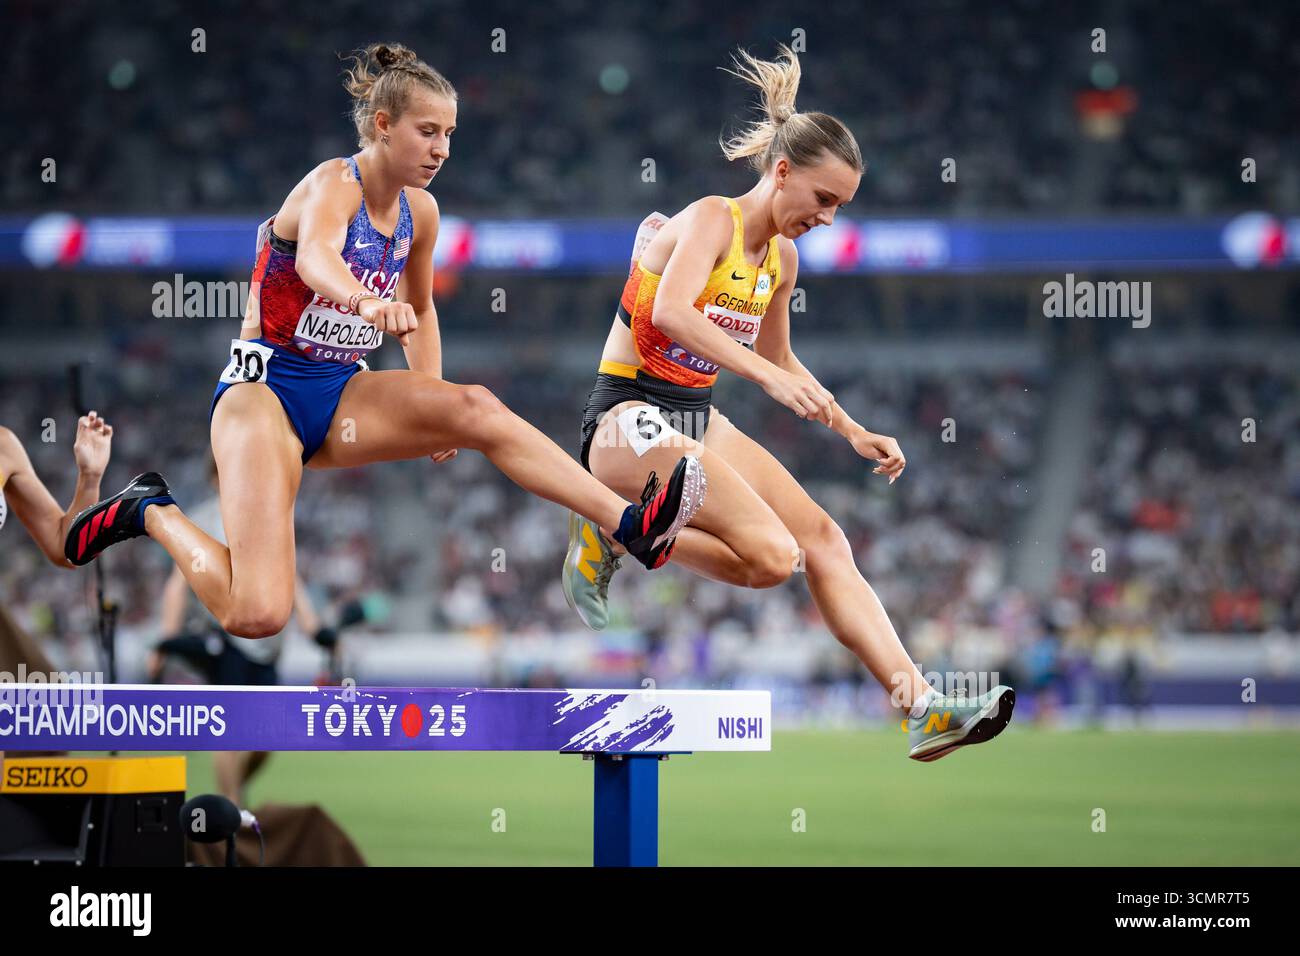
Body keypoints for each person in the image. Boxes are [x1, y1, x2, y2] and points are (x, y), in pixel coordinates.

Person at [63, 43, 706, 642]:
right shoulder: (330, 184)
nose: (442, 149)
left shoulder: (420, 214)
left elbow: (422, 309)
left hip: (340, 394)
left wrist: (433, 399)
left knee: (475, 407)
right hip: (262, 394)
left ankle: (630, 526)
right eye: (428, 132)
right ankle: (150, 510)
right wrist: (369, 302)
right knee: (257, 613)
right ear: (381, 125)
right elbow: (315, 259)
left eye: (450, 134)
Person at [561, 45, 1013, 761]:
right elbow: (676, 315)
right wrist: (766, 380)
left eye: (842, 207)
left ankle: (921, 708)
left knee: (793, 554)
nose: (829, 218)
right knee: (709, 487)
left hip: (696, 419)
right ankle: (608, 519)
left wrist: (852, 428)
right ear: (781, 174)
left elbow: (780, 360)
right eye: (824, 200)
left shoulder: (782, 260)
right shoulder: (711, 218)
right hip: (625, 417)